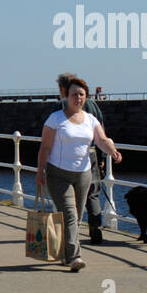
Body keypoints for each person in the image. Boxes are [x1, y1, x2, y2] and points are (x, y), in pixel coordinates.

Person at [36, 76, 122, 272]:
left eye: (81, 95)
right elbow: (45, 147)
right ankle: (75, 256)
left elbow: (101, 140)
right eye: (74, 94)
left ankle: (66, 254)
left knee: (77, 215)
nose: (78, 98)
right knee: (69, 213)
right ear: (66, 96)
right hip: (58, 173)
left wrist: (113, 151)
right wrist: (40, 172)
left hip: (83, 173)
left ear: (86, 97)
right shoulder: (56, 119)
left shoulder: (91, 120)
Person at [58, 73, 106, 244]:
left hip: (68, 157)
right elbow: (102, 134)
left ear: (63, 88)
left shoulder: (62, 105)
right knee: (92, 194)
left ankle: (71, 233)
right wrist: (101, 159)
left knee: (69, 196)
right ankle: (95, 229)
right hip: (92, 153)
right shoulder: (93, 105)